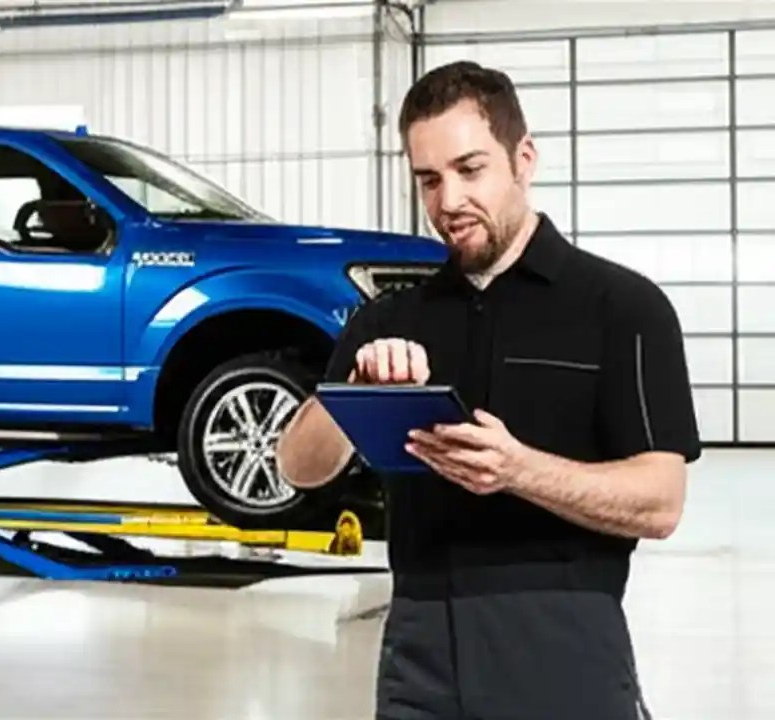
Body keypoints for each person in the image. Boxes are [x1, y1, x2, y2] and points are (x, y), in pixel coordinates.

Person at [275, 60, 700, 720]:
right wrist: (354, 389)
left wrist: (519, 470)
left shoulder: (624, 309)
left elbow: (661, 502)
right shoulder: (389, 319)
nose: (448, 202)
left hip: (565, 644)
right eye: (429, 180)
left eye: (470, 170)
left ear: (522, 159)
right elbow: (298, 468)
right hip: (419, 649)